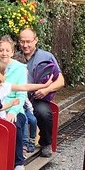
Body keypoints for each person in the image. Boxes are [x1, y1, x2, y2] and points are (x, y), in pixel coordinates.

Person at [17, 27, 65, 157]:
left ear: (36, 40)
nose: (25, 45)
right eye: (22, 41)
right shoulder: (14, 57)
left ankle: (45, 143)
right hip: (17, 98)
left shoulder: (47, 57)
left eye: (28, 41)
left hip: (37, 98)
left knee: (43, 113)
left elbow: (61, 81)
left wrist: (46, 90)